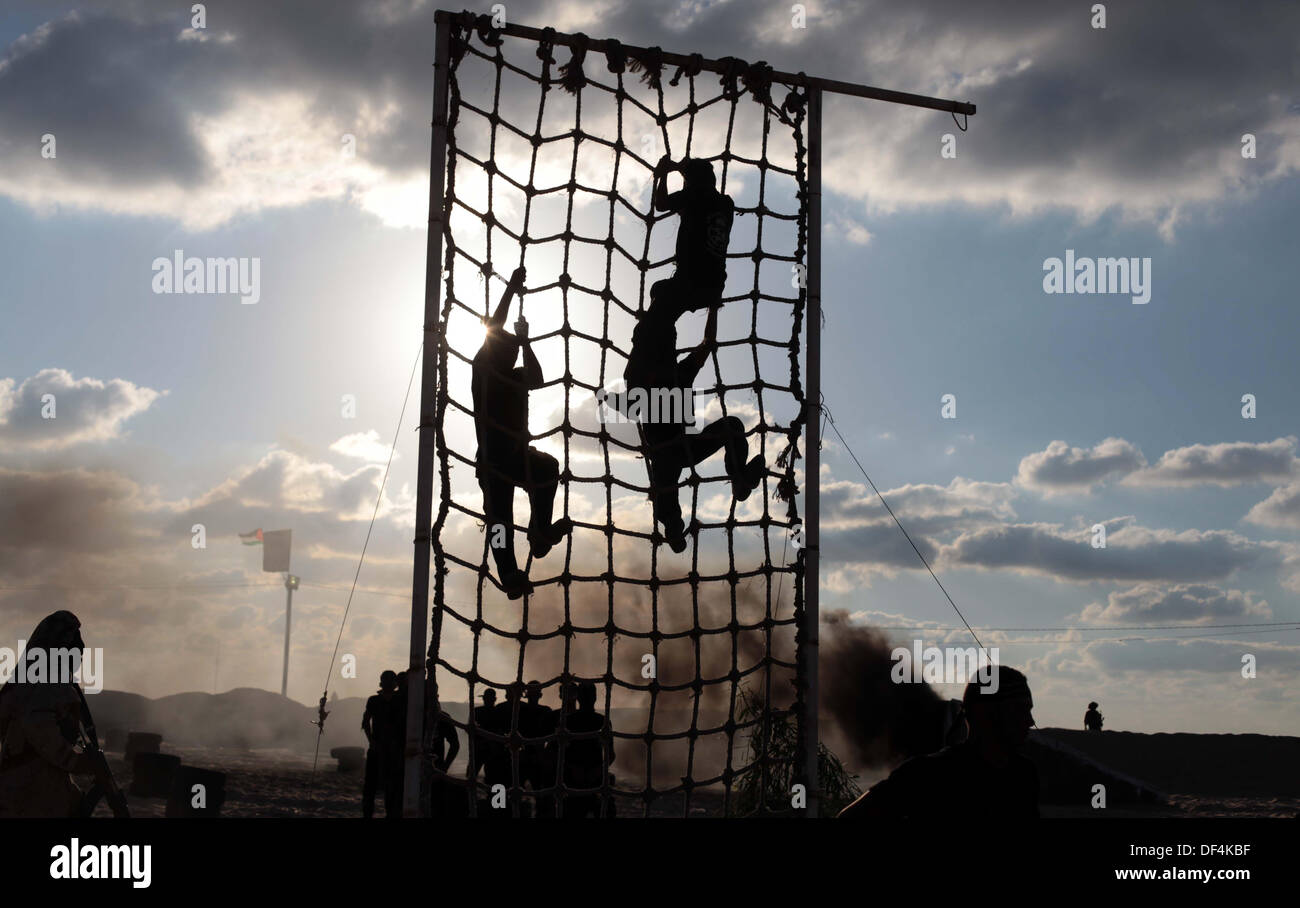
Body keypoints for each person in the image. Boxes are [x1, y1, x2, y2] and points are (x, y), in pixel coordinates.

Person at [472, 265, 572, 599]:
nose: (511, 352)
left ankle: (540, 531)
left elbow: (538, 378)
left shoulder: (514, 377)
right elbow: (494, 326)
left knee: (548, 468)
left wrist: (526, 342)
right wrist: (512, 288)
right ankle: (508, 572)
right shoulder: (483, 370)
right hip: (493, 460)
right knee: (500, 519)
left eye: (513, 350)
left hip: (517, 456)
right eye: (508, 347)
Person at [838, 666, 1039, 819]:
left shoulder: (1024, 775)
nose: (1029, 721)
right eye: (1019, 710)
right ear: (985, 713)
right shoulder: (927, 775)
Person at [0, 611, 121, 817]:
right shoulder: (41, 684)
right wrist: (80, 762)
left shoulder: (41, 682)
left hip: (38, 786)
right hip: (27, 793)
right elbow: (42, 733)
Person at [556, 681, 615, 818]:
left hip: (579, 778)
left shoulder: (568, 721)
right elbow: (611, 755)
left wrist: (594, 771)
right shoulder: (601, 721)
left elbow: (610, 754)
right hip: (582, 779)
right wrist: (597, 771)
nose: (588, 698)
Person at [361, 670, 399, 818]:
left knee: (391, 788)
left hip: (392, 749)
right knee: (372, 787)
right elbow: (365, 723)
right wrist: (372, 742)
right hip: (381, 748)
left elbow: (365, 723)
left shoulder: (399, 700)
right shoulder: (375, 701)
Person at [519, 680, 557, 815]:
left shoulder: (520, 711)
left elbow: (554, 736)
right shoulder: (544, 711)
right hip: (528, 756)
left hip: (531, 757)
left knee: (542, 796)